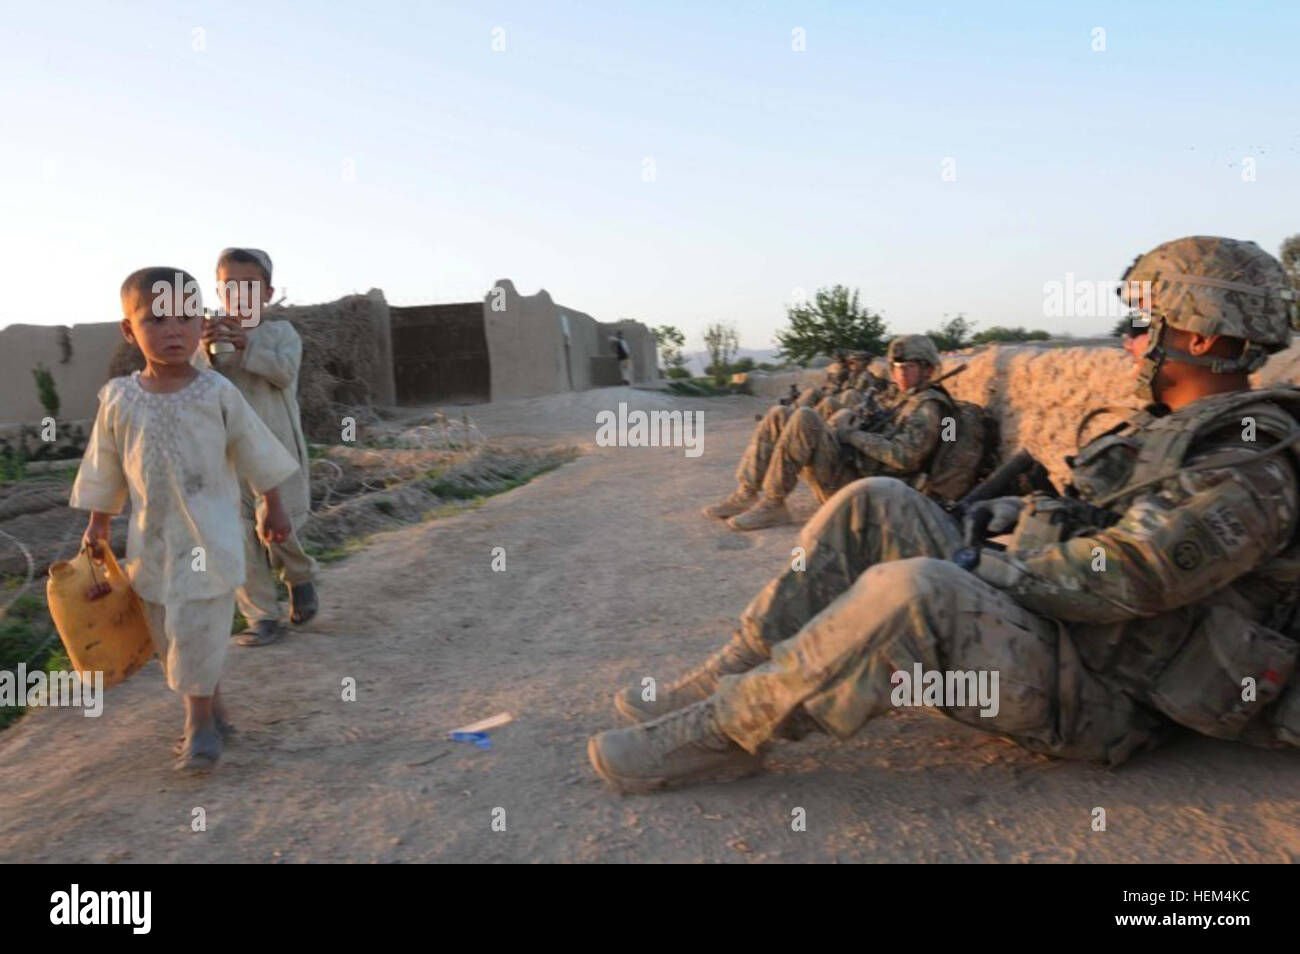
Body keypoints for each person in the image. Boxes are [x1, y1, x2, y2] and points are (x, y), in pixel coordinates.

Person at [589, 236, 1300, 793]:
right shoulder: (1172, 430)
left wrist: (989, 560)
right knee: (875, 504)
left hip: (1113, 700)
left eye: (1146, 324)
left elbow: (1133, 574)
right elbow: (1100, 525)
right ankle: (733, 672)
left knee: (919, 589)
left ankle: (728, 731)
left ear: (1200, 337)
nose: (1130, 341)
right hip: (1075, 639)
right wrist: (1026, 514)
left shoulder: (1248, 459)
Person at [72, 268, 299, 771]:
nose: (173, 329)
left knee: (198, 624)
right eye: (156, 319)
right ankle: (215, 709)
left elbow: (256, 449)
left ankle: (197, 726)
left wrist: (273, 505)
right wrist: (98, 522)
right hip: (150, 543)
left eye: (185, 317)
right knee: (169, 631)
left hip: (210, 539)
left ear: (201, 323)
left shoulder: (217, 392)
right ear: (129, 330)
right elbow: (103, 463)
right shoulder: (118, 399)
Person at [704, 335, 954, 531]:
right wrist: (848, 419)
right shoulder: (897, 396)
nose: (900, 373)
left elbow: (904, 456)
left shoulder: (928, 406)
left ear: (928, 370)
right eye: (897, 367)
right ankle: (746, 493)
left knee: (805, 417)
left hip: (867, 490)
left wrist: (850, 435)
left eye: (908, 367)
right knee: (780, 414)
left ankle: (773, 502)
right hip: (851, 469)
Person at [200, 248, 319, 647]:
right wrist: (203, 351)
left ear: (267, 293)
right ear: (219, 291)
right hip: (229, 459)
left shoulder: (282, 334)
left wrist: (247, 343)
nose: (240, 295)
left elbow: (284, 374)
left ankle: (299, 576)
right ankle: (262, 616)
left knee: (279, 530)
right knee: (237, 537)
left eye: (250, 286)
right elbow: (198, 386)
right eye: (230, 286)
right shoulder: (211, 337)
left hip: (277, 452)